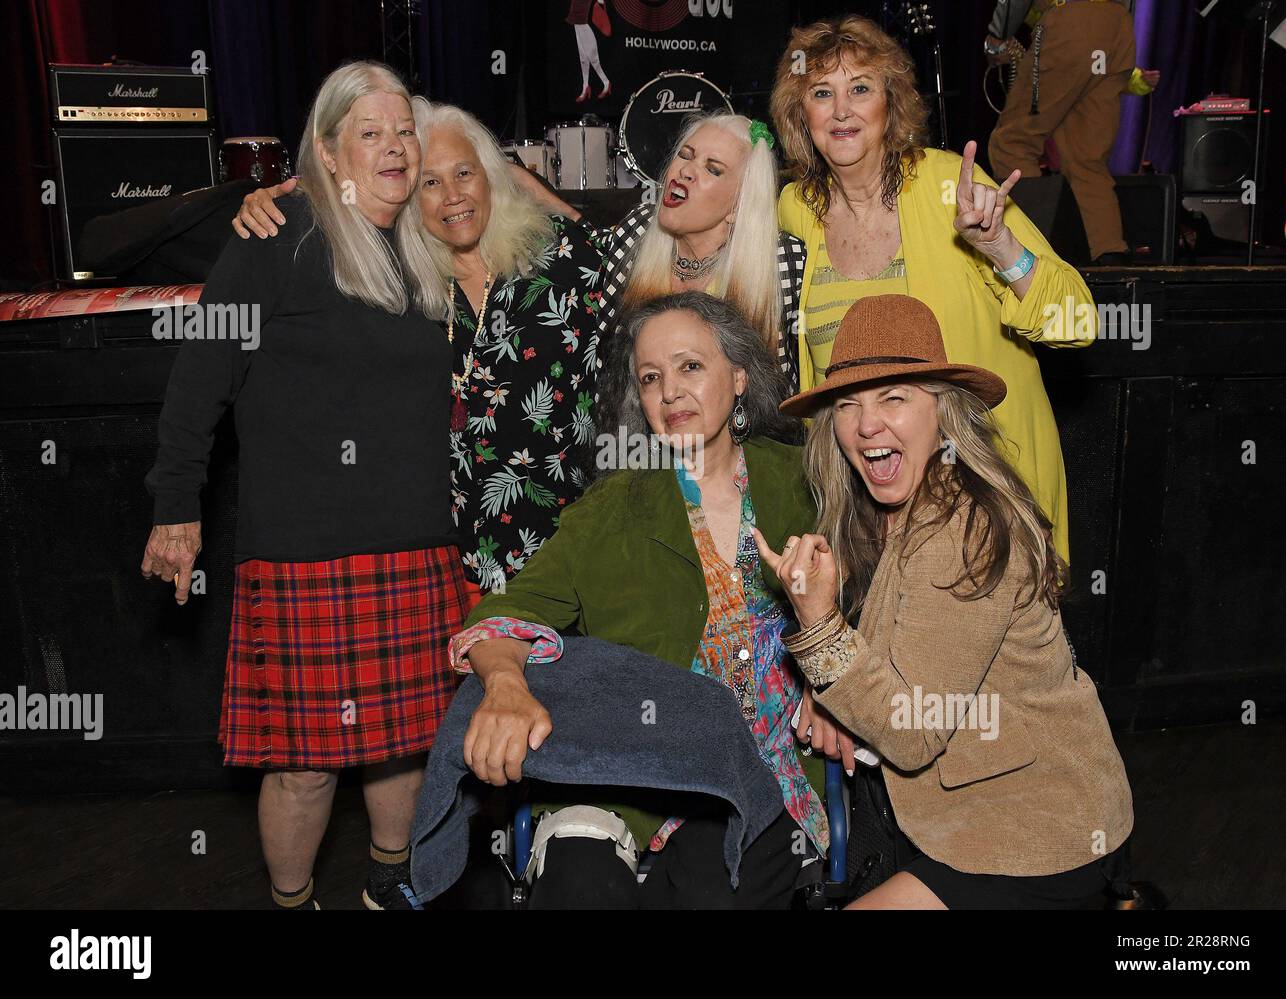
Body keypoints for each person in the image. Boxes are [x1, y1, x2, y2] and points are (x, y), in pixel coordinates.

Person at [142, 61, 470, 910]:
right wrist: (176, 508)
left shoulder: (431, 240)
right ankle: (293, 904)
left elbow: (539, 210)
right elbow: (197, 379)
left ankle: (385, 890)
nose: (395, 146)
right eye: (371, 132)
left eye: (405, 128)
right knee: (304, 763)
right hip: (303, 555)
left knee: (405, 746)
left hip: (417, 544)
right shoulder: (277, 234)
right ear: (327, 152)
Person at [450, 292, 841, 909]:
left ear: (738, 377)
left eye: (690, 367)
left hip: (766, 773)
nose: (669, 393)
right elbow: (505, 615)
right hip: (646, 768)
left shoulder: (809, 477)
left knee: (716, 889)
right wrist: (504, 687)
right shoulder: (613, 508)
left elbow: (881, 592)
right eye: (651, 378)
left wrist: (831, 684)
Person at [760, 293, 1134, 910]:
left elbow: (912, 730)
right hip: (950, 821)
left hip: (1033, 834)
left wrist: (819, 626)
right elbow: (890, 661)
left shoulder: (962, 528)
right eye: (848, 405)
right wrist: (829, 690)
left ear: (944, 410)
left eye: (894, 397)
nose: (866, 423)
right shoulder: (883, 513)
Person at [233, 101, 606, 598]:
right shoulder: (399, 284)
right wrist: (259, 202)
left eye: (465, 173)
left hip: (568, 550)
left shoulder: (558, 255)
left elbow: (638, 269)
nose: (453, 196)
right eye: (429, 182)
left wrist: (531, 185)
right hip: (447, 563)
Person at [770, 14, 1095, 564]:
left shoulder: (948, 184)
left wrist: (999, 248)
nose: (843, 110)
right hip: (866, 510)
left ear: (890, 103)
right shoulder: (797, 209)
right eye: (822, 92)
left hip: (982, 497)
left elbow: (1078, 321)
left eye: (861, 89)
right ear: (801, 113)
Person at [516, 111, 807, 397]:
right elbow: (592, 244)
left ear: (739, 206)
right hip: (637, 438)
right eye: (686, 155)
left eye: (713, 169)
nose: (687, 170)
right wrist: (520, 180)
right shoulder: (638, 231)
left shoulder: (781, 261)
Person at [985, 0, 1141, 264]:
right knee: (1088, 158)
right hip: (1117, 26)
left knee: (1013, 144)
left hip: (1071, 20)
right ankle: (1108, 254)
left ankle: (1029, 253)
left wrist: (997, 36)